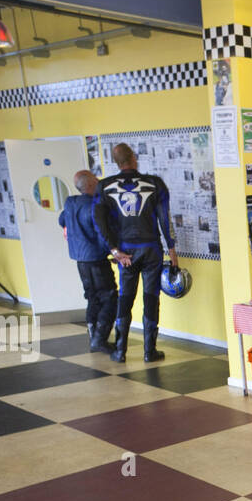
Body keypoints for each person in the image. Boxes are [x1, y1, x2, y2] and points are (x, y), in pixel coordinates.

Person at [94, 142, 179, 363]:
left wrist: (114, 249)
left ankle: (120, 350)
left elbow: (99, 221)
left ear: (116, 162)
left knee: (126, 298)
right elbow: (164, 218)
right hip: (151, 249)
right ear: (134, 158)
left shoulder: (104, 186)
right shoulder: (154, 183)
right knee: (151, 298)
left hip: (125, 252)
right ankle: (149, 351)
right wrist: (172, 250)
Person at [58, 170, 116, 354]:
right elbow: (102, 233)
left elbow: (61, 220)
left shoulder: (70, 203)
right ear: (90, 185)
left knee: (92, 297)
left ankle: (93, 336)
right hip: (96, 259)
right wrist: (115, 251)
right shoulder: (95, 206)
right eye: (96, 179)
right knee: (109, 297)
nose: (99, 181)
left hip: (80, 260)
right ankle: (99, 339)